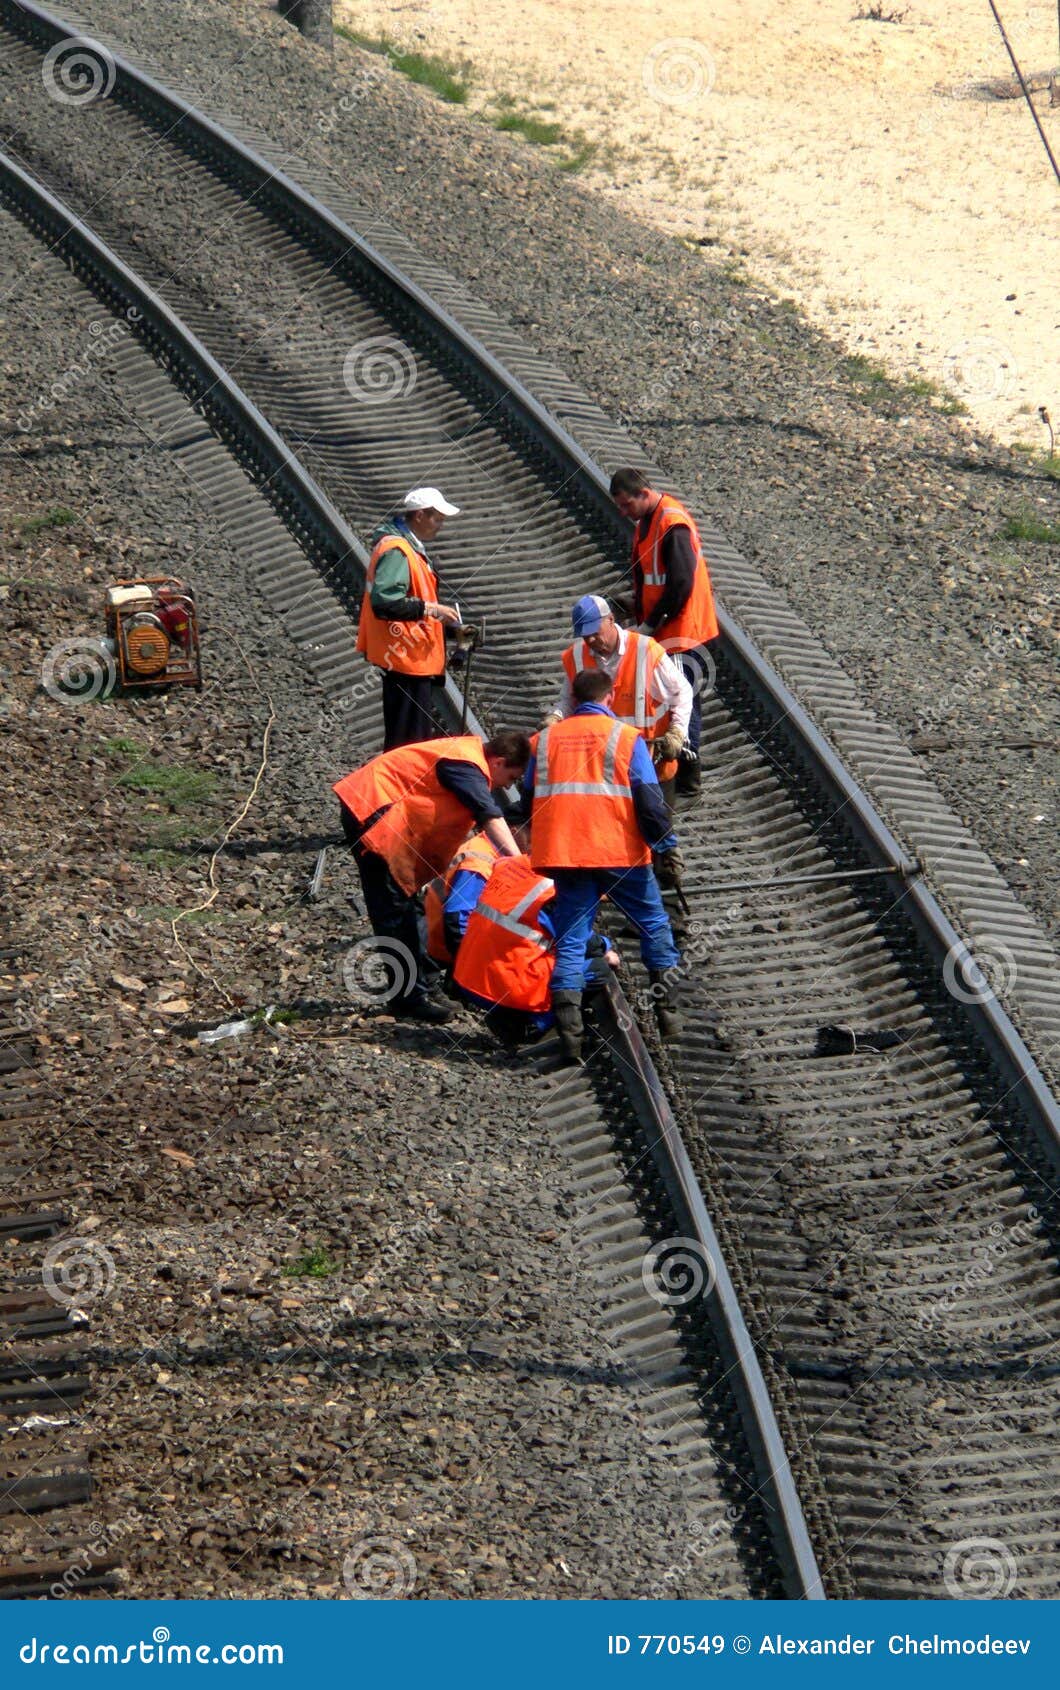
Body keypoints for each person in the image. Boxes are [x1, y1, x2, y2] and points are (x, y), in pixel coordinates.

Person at [526, 668, 682, 1062]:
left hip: (565, 854)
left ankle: (571, 1036)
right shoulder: (626, 739)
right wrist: (666, 845)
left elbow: (526, 795)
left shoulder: (543, 741)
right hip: (618, 853)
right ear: (610, 698)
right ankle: (668, 1013)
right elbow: (649, 801)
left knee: (572, 938)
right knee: (653, 922)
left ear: (574, 702)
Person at [333, 730, 529, 1022]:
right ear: (498, 762)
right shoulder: (466, 764)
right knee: (393, 907)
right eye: (511, 778)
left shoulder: (466, 755)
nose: (506, 786)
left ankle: (418, 986)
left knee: (403, 902)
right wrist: (521, 865)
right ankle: (407, 999)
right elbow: (489, 815)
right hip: (376, 812)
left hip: (381, 808)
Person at [609, 467, 719, 797]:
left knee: (683, 700)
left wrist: (650, 621)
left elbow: (681, 582)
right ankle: (677, 772)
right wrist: (637, 606)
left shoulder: (672, 524)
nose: (625, 513)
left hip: (685, 632)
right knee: (671, 698)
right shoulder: (648, 522)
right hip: (668, 630)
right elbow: (654, 577)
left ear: (644, 493)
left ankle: (688, 776)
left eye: (627, 505)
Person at [356, 487, 463, 750]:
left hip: (410, 658)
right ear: (419, 516)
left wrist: (448, 629)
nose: (440, 525)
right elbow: (387, 602)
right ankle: (400, 789)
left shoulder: (408, 548)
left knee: (408, 741)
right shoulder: (397, 550)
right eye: (437, 518)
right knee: (407, 744)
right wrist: (431, 609)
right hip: (405, 659)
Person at [423, 832, 498, 968]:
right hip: (438, 941)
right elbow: (456, 921)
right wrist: (471, 967)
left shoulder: (484, 843)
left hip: (434, 928)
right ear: (513, 830)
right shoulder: (480, 862)